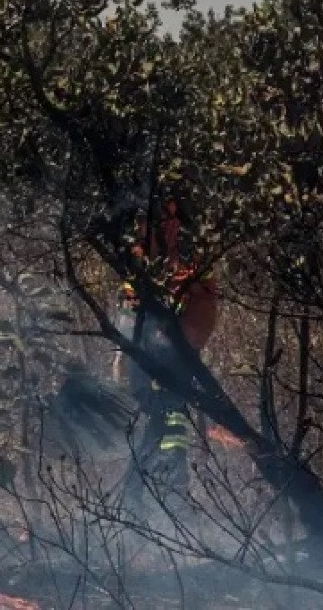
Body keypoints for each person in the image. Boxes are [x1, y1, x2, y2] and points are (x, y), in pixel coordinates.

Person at [112, 193, 219, 508]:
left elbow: (200, 305)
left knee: (169, 426)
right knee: (160, 423)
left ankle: (157, 497)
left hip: (173, 353)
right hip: (152, 353)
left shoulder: (184, 254)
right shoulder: (145, 249)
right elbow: (130, 303)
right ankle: (150, 497)